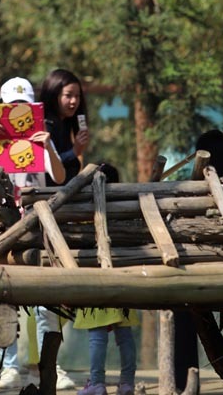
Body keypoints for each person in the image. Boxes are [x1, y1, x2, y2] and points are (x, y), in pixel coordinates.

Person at [0, 77, 74, 390]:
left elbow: (59, 177)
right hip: (3, 225)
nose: (19, 113)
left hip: (38, 223)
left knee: (47, 300)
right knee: (5, 295)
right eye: (12, 107)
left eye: (24, 107)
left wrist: (48, 147)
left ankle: (53, 367)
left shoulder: (42, 137)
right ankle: (9, 368)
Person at [74, 163, 138, 395]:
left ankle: (97, 383)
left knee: (97, 336)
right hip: (122, 272)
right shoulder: (124, 206)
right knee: (124, 334)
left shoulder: (84, 208)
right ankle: (127, 382)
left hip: (96, 273)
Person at [40, 69, 90, 185]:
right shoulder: (45, 126)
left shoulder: (66, 122)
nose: (74, 101)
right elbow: (48, 165)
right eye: (68, 95)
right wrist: (74, 151)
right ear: (53, 95)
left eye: (77, 96)